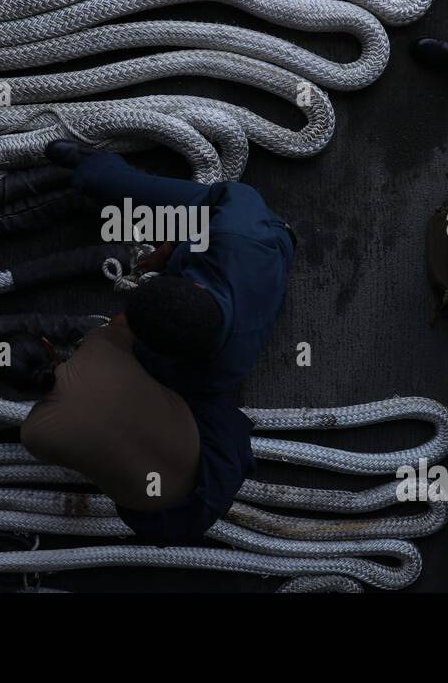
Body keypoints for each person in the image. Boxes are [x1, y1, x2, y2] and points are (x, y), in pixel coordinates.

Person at [20, 142, 295, 544]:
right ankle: (104, 175)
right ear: (197, 288)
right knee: (188, 203)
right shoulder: (214, 366)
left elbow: (131, 354)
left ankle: (97, 173)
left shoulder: (180, 373)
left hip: (245, 250)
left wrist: (172, 252)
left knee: (126, 190)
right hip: (262, 249)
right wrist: (176, 247)